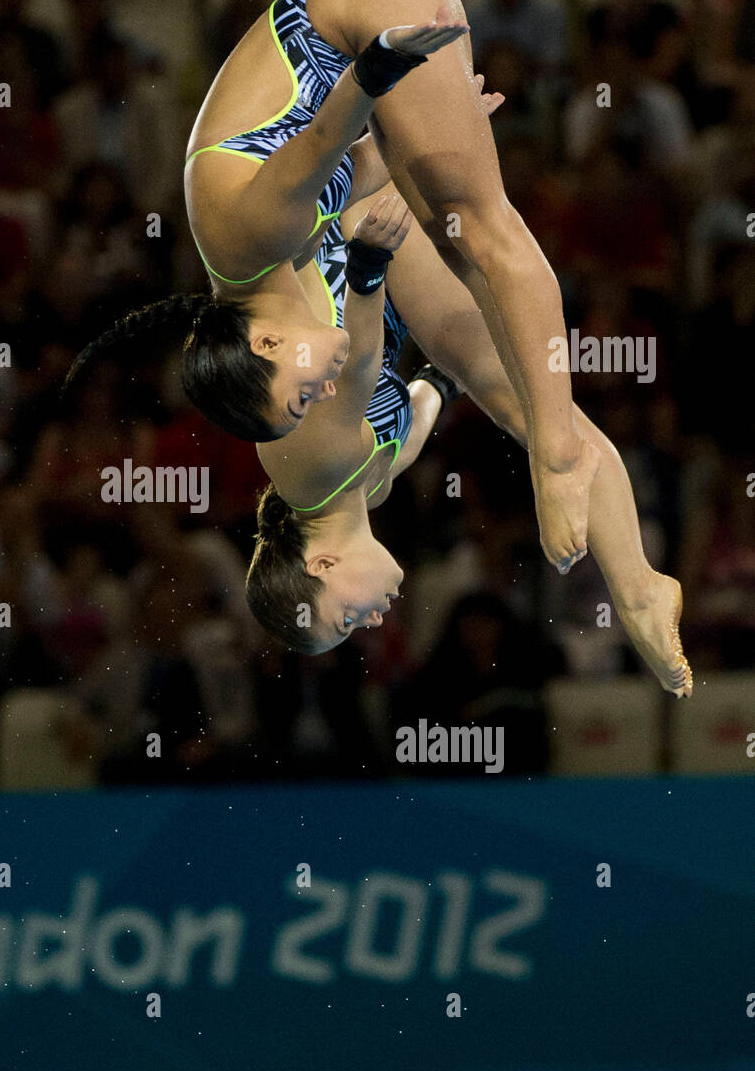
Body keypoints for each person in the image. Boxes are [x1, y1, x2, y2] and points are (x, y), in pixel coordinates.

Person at [70, 0, 602, 574]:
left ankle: (560, 457)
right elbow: (355, 165)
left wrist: (384, 64)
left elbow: (325, 136)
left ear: (266, 345)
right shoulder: (274, 262)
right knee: (457, 234)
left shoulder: (253, 237)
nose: (322, 392)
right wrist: (439, 122)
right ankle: (612, 541)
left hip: (365, 8)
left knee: (480, 239)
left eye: (301, 397)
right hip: (363, 35)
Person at [245, 187, 692, 697]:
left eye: (346, 618)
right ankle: (639, 586)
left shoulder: (303, 469)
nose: (369, 623)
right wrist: (444, 381)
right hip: (378, 274)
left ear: (320, 565)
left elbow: (357, 369)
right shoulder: (369, 488)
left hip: (343, 228)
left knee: (532, 410)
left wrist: (367, 270)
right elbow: (412, 416)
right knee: (540, 417)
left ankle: (633, 592)